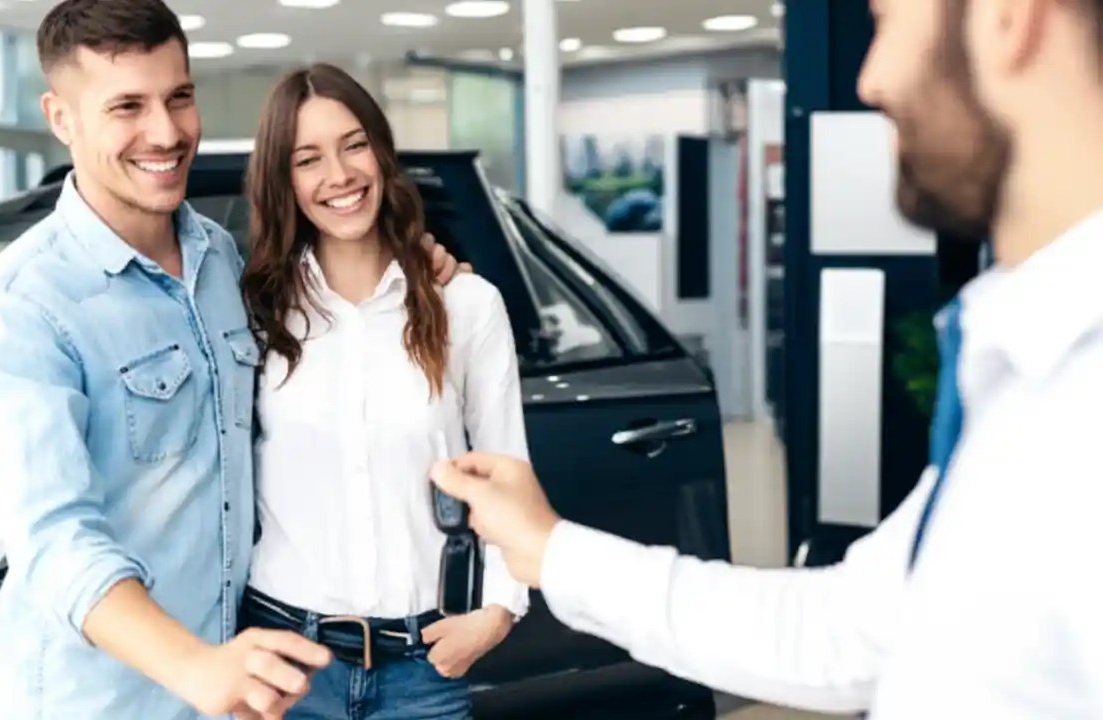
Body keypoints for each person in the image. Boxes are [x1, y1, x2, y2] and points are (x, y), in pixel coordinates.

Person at [430, 0, 1103, 717]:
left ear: (1010, 17)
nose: (871, 81)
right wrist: (552, 549)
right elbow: (852, 633)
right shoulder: (1033, 370)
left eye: (889, 21)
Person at [0, 2, 463, 718]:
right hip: (96, 702)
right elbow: (57, 545)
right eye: (127, 106)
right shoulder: (19, 308)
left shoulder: (221, 260)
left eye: (178, 97)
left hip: (231, 697)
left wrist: (416, 265)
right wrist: (196, 667)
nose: (165, 132)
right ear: (62, 118)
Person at [235, 63, 530, 720]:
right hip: (285, 667)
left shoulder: (467, 305)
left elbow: (510, 473)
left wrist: (498, 612)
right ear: (284, 184)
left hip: (422, 669)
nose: (338, 176)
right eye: (307, 159)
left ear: (383, 153)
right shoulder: (254, 313)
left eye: (354, 144)